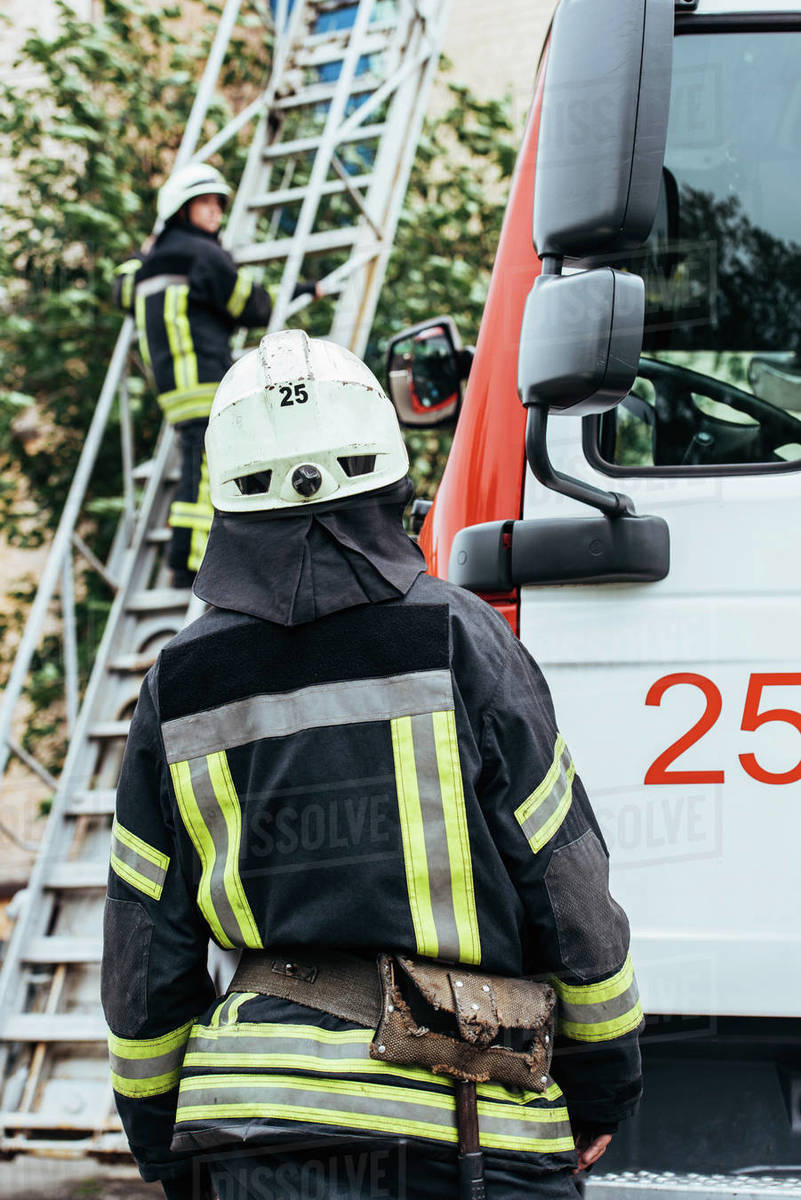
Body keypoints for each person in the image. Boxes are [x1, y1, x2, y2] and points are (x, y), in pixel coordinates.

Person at [101, 330, 643, 1200]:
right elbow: (565, 880)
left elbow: (143, 939)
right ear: (387, 473)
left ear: (226, 496)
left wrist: (157, 1131)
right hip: (463, 1132)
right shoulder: (461, 638)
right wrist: (603, 1075)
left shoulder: (180, 681)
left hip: (252, 1134)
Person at [114, 163, 320, 586]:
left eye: (218, 204)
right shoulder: (204, 255)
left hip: (172, 388)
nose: (215, 211)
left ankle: (184, 559)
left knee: (197, 461)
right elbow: (252, 305)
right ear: (181, 210)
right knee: (212, 467)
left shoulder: (146, 267)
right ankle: (191, 565)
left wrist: (138, 253)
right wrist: (299, 290)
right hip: (207, 379)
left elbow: (121, 289)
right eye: (204, 203)